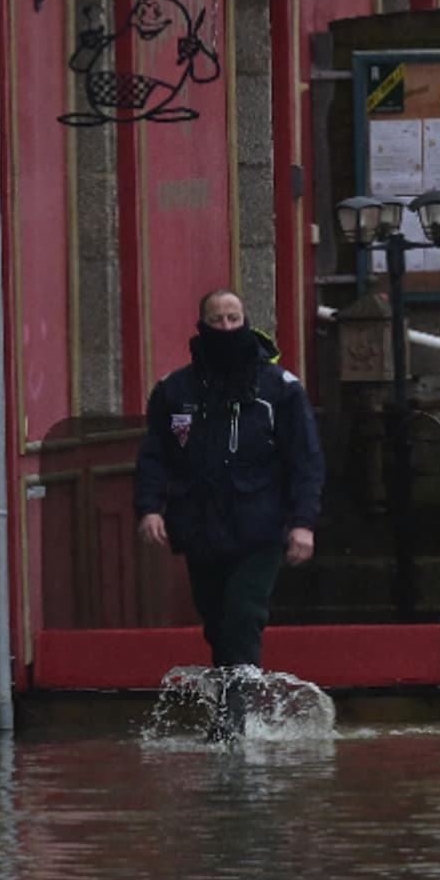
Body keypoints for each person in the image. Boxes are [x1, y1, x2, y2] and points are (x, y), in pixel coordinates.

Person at [132, 289, 322, 728]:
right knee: (216, 623)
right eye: (216, 319)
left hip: (260, 528)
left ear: (246, 321)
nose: (225, 327)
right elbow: (154, 455)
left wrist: (303, 523)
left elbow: (305, 461)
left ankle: (238, 720)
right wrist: (149, 508)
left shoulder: (279, 390)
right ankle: (230, 711)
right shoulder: (174, 390)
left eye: (233, 318)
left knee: (242, 615)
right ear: (201, 325)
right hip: (199, 528)